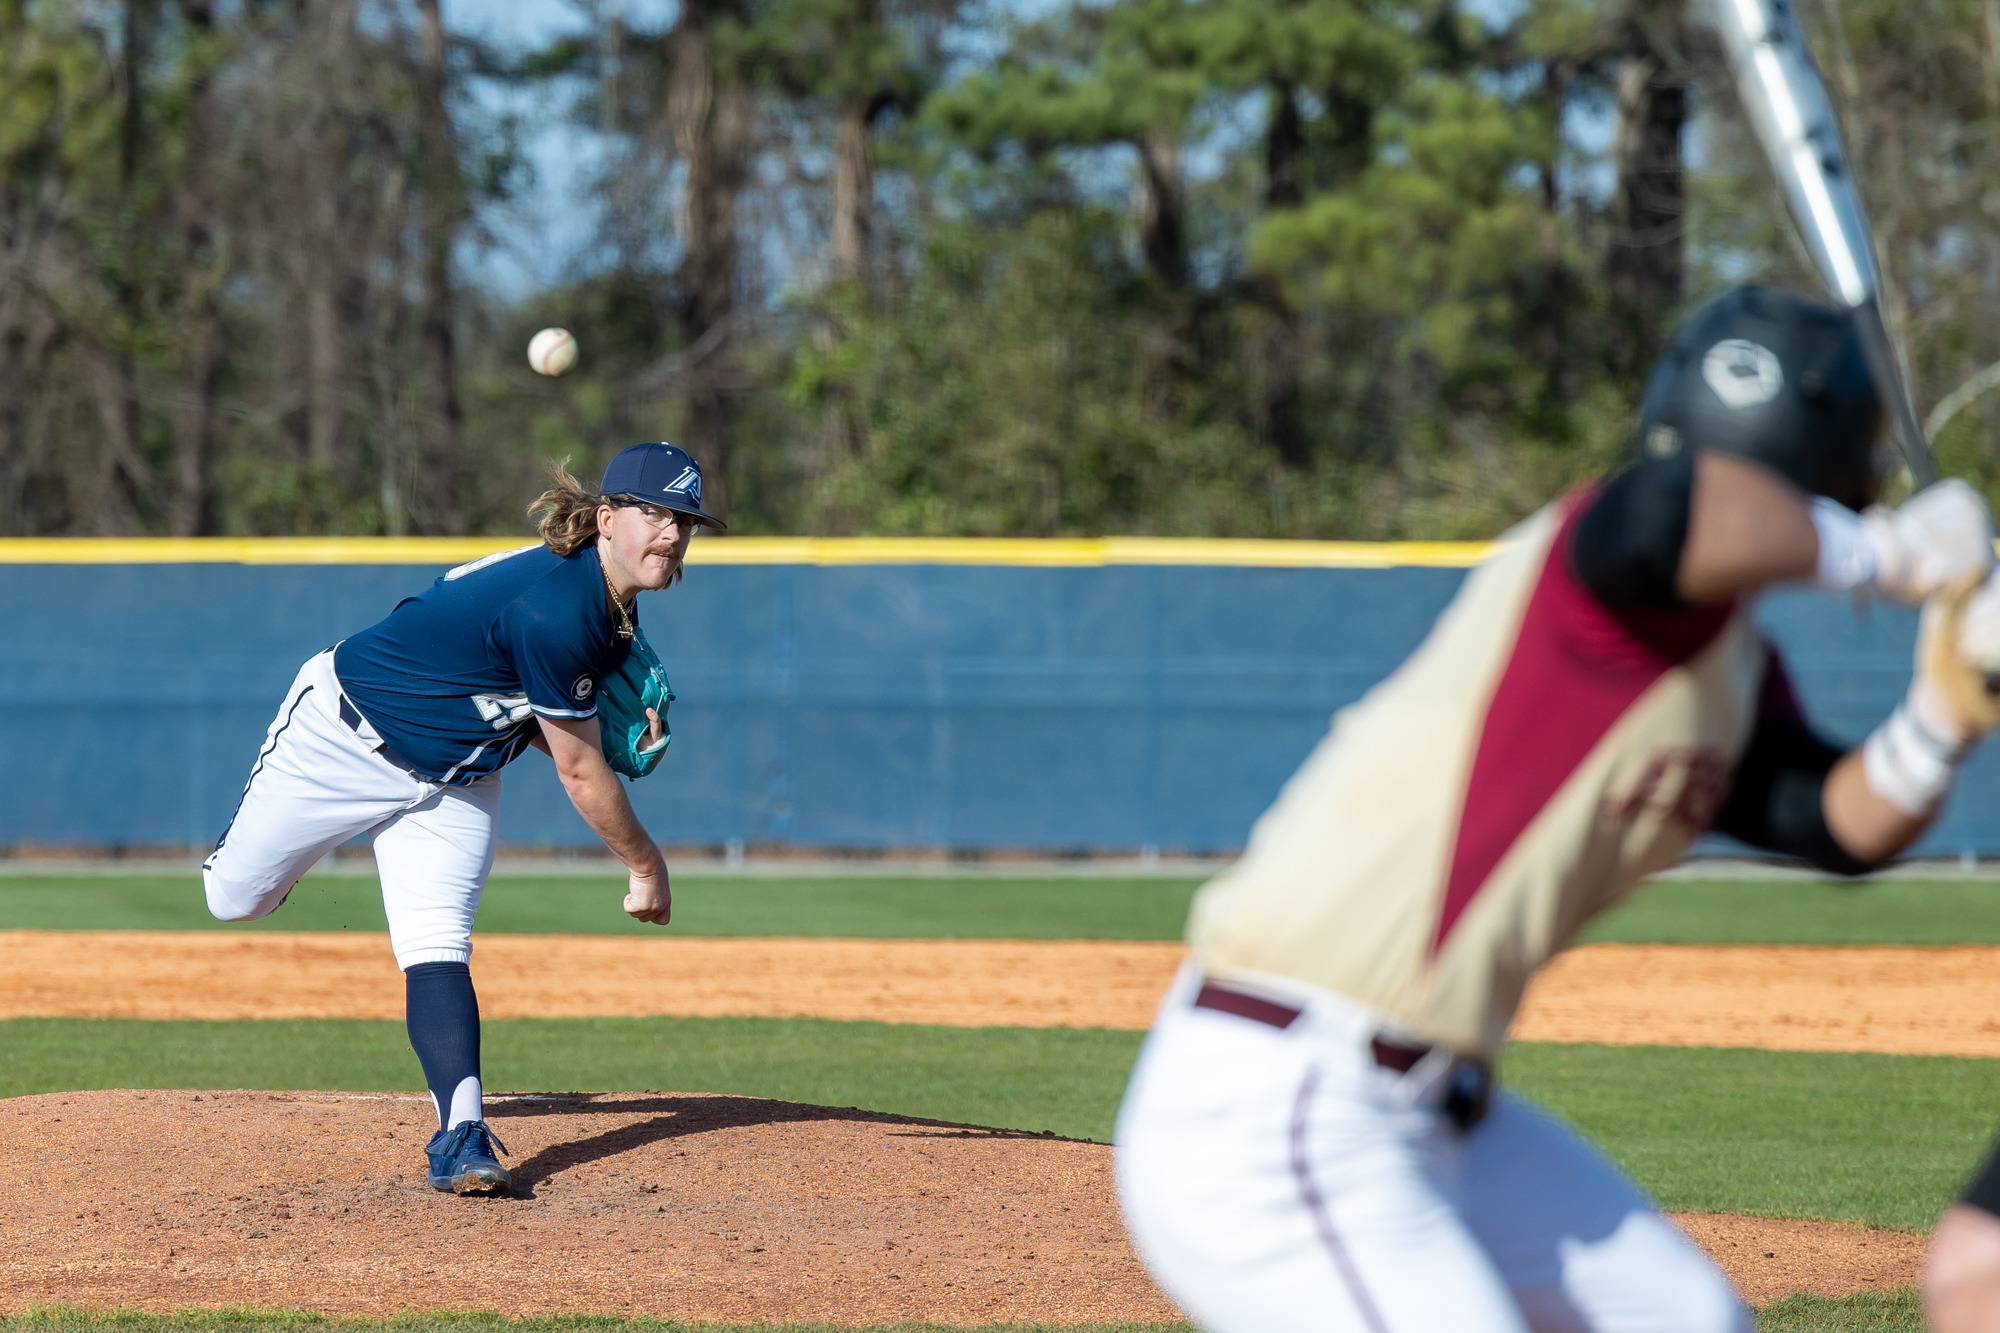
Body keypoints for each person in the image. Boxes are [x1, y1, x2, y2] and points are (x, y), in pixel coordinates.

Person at [1114, 285, 2000, 1333]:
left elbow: (1835, 825)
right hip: (1278, 1106)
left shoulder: (1725, 665)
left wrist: (1944, 710)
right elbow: (1669, 508)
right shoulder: (1603, 556)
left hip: (1438, 1117)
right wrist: (1886, 555)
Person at [201, 442, 724, 1196]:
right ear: (606, 519)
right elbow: (580, 771)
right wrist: (647, 864)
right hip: (342, 738)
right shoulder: (558, 607)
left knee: (438, 944)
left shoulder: (608, 604)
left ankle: (461, 1133)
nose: (671, 535)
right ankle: (271, 847)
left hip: (454, 778)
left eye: (684, 521)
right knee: (234, 899)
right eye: (654, 514)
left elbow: (523, 704)